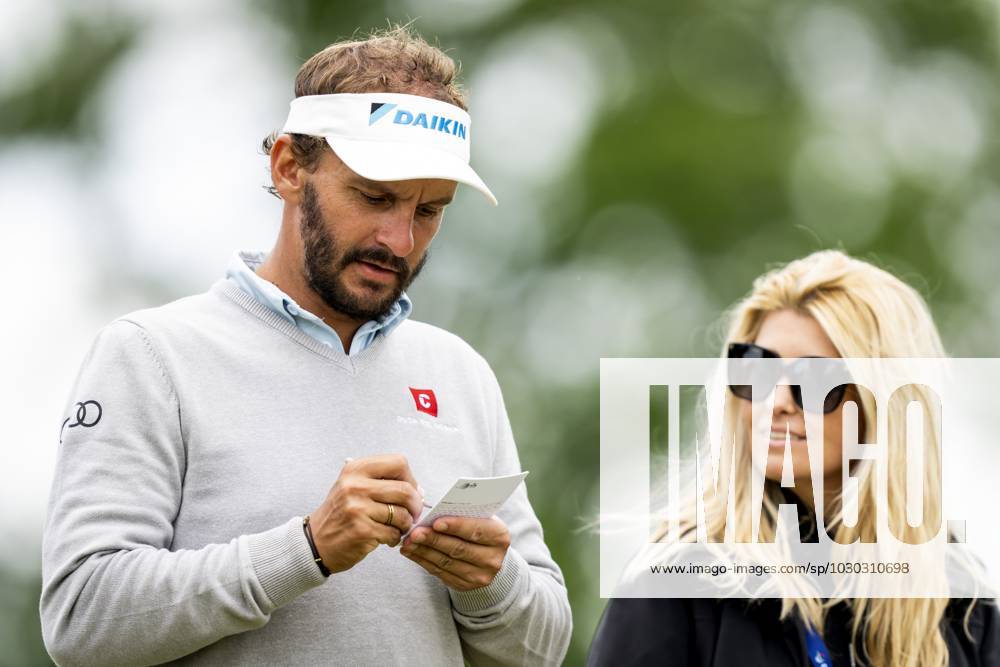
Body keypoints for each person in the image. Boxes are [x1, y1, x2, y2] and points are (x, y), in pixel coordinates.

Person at [40, 26, 572, 666]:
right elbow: (80, 620)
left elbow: (543, 647)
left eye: (430, 210)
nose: (400, 240)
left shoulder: (459, 373)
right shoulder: (151, 355)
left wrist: (492, 583)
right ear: (290, 167)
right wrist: (308, 549)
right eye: (374, 197)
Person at [588, 250, 1000, 666]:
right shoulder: (679, 584)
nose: (777, 400)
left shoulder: (958, 602)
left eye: (815, 377)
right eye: (758, 369)